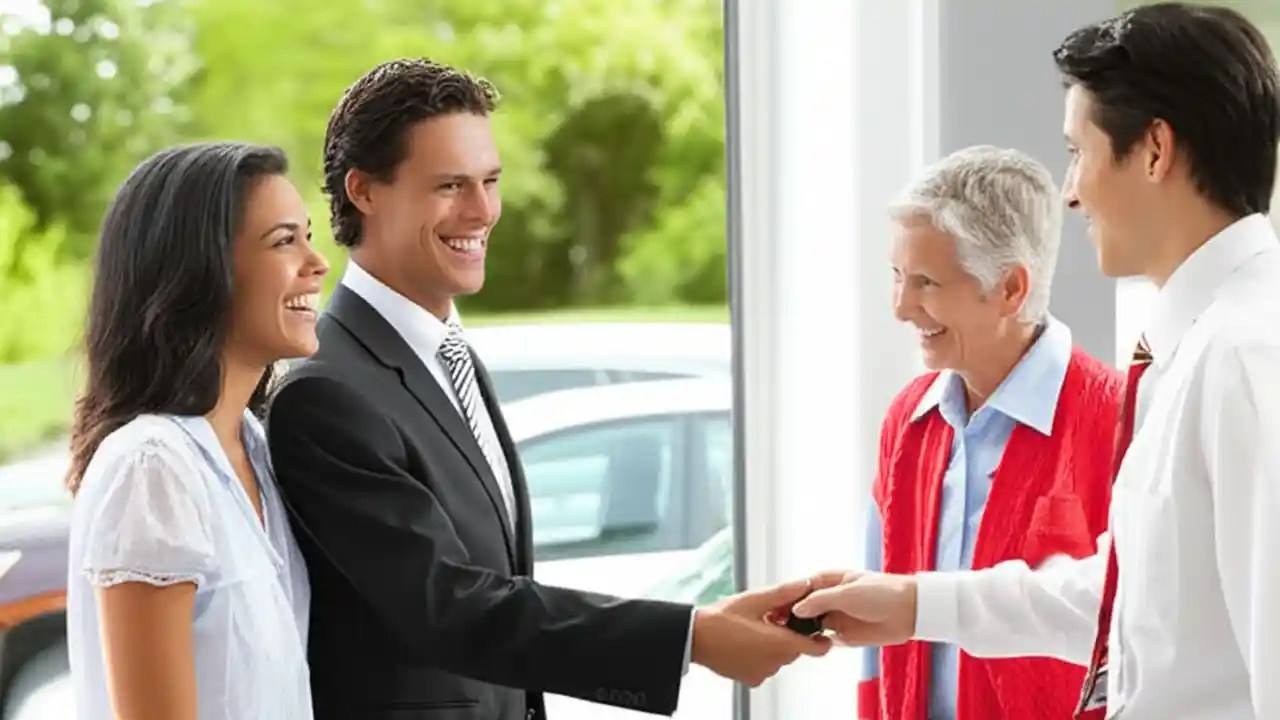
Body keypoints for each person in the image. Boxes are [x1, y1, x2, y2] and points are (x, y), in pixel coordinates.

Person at [264, 58, 827, 720]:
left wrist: (699, 621)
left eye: (490, 181)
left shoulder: (451, 358)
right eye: (450, 185)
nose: (482, 211)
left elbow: (501, 589)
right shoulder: (326, 391)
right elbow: (448, 606)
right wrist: (692, 638)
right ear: (364, 191)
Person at [794, 4, 1280, 719]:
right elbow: (1123, 600)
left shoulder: (1245, 357)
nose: (1070, 189)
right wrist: (913, 603)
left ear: (1154, 150)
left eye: (1077, 151)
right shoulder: (1196, 348)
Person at [64, 142, 329, 719]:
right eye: (284, 241)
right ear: (200, 272)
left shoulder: (255, 446)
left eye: (307, 235)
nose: (318, 262)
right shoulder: (152, 467)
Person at [857, 145, 1122, 720]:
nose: (901, 307)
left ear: (1010, 290)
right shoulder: (907, 422)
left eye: (925, 282)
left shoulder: (1119, 421)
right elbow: (877, 657)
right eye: (897, 276)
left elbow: (1133, 636)